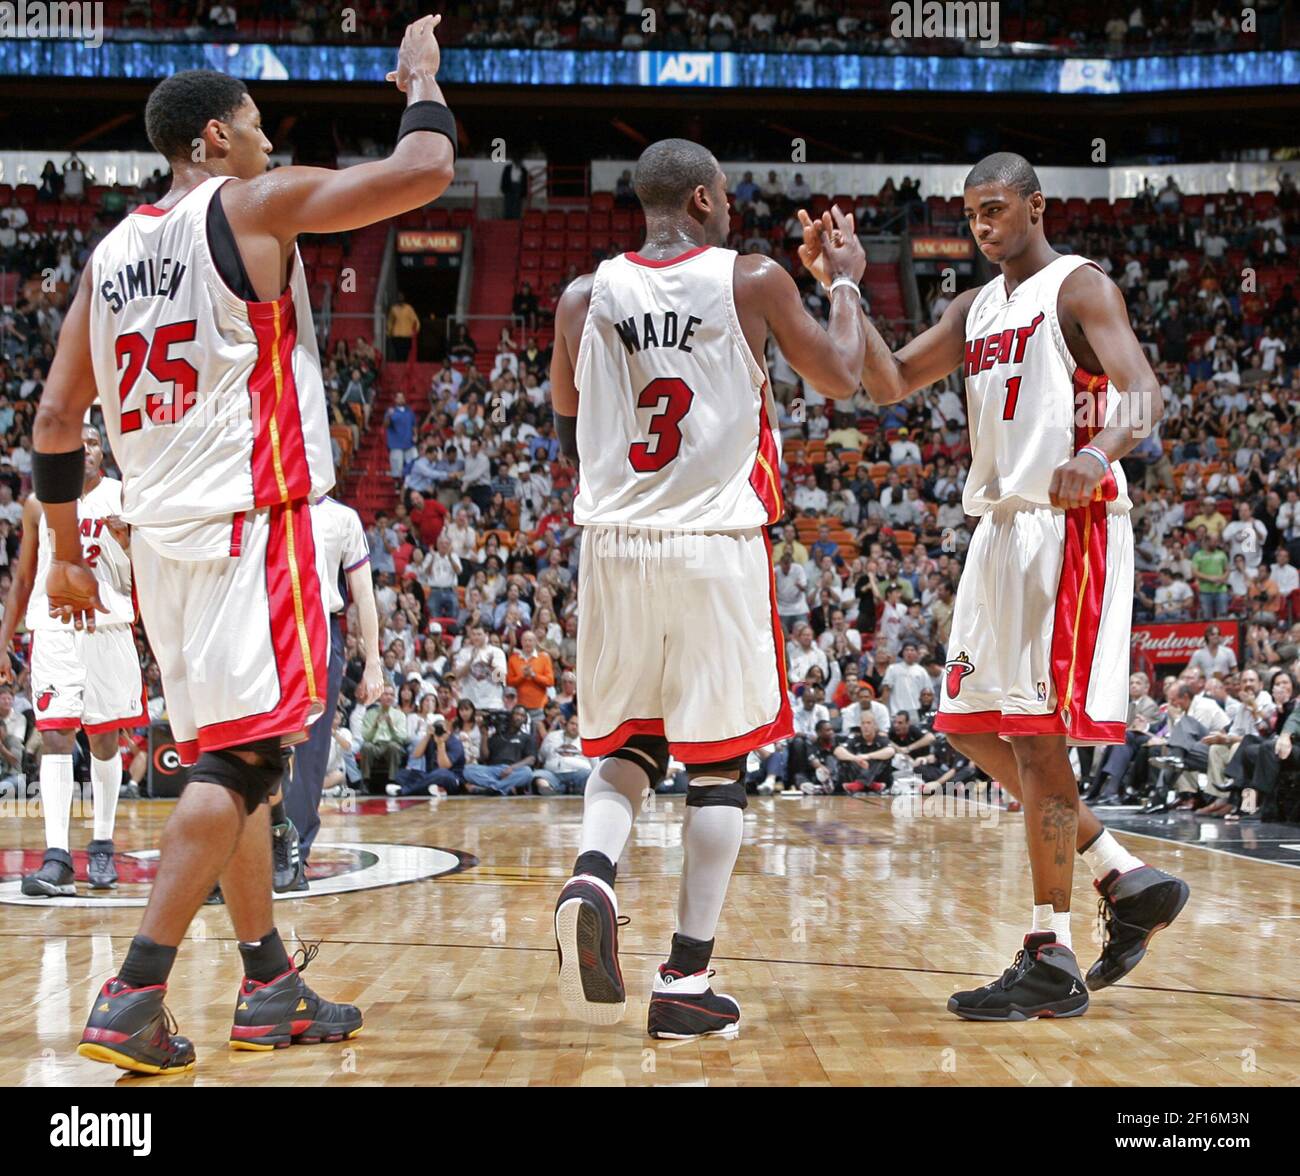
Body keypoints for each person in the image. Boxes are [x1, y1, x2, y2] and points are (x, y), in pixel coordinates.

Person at [33, 17, 456, 1074]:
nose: (270, 145)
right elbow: (426, 170)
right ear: (214, 140)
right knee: (247, 757)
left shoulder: (108, 255)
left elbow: (50, 426)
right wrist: (420, 83)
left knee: (241, 757)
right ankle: (134, 991)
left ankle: (268, 985)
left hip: (162, 543)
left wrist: (66, 555)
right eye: (259, 129)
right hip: (248, 525)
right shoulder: (253, 203)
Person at [799, 151, 1188, 1022]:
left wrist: (1094, 454)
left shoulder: (1080, 287)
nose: (983, 223)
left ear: (1036, 206)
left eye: (997, 208)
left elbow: (1143, 393)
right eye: (972, 212)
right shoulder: (974, 307)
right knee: (972, 728)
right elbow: (888, 381)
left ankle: (1049, 952)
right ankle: (1122, 875)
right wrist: (847, 287)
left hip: (1068, 524)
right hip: (1000, 529)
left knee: (1041, 746)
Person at [549, 137, 867, 1038]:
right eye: (723, 194)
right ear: (699, 198)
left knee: (633, 741)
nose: (731, 206)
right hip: (714, 539)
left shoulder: (583, 297)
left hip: (611, 542)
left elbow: (569, 414)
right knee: (719, 764)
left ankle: (594, 869)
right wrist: (843, 282)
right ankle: (686, 978)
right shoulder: (753, 278)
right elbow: (842, 376)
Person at [0, 425, 146, 896]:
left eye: (93, 442)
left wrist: (129, 545)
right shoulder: (41, 502)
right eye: (77, 442)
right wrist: (4, 640)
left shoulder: (124, 496)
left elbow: (153, 570)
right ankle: (57, 857)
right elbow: (23, 580)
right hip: (54, 631)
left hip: (108, 629)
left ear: (103, 451)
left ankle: (102, 842)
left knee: (104, 739)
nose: (85, 449)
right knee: (56, 736)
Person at [277, 495, 383, 889]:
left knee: (310, 749)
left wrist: (373, 659)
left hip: (322, 629)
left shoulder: (343, 518)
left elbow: (365, 593)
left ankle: (294, 852)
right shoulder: (266, 504)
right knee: (262, 745)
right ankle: (252, 845)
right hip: (269, 627)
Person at [386, 290, 420, 362]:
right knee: (398, 352)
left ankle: (404, 366)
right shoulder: (393, 309)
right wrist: (389, 332)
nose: (400, 298)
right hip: (396, 335)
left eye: (401, 297)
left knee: (405, 353)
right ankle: (399, 366)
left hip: (407, 335)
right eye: (398, 297)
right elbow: (390, 322)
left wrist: (416, 330)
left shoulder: (409, 308)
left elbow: (415, 320)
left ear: (404, 298)